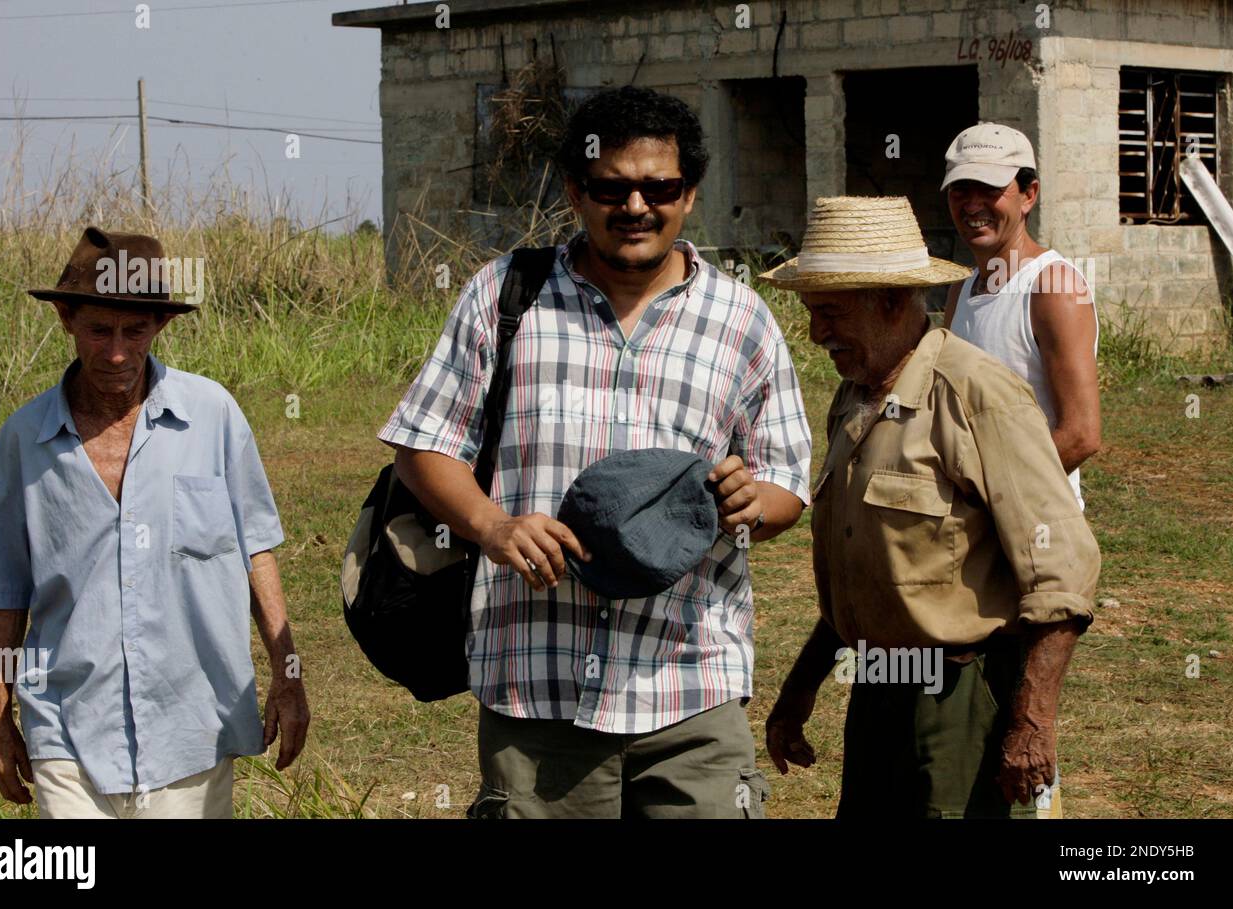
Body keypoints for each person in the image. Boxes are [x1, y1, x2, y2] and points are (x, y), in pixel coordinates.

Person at [380, 85, 813, 818]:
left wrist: (753, 504)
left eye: (659, 187)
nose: (636, 206)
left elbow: (787, 485)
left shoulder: (743, 320)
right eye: (611, 187)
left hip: (690, 691)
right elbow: (422, 446)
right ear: (577, 192)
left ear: (690, 193)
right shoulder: (506, 296)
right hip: (538, 692)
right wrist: (492, 525)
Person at [0, 227, 309, 818]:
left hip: (192, 724)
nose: (116, 352)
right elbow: (5, 586)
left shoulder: (212, 416)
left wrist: (287, 675)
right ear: (66, 319)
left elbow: (255, 551)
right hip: (66, 725)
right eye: (98, 329)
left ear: (160, 326)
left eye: (134, 330)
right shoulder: (22, 439)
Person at [759, 196, 1101, 818]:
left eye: (830, 313)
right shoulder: (855, 397)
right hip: (879, 688)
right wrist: (801, 687)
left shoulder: (977, 394)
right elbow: (865, 571)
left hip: (961, 695)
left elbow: (1063, 574)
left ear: (892, 302)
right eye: (812, 315)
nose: (816, 335)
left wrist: (1032, 721)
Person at [941, 122, 1101, 508]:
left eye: (991, 189)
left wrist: (989, 497)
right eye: (962, 189)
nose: (973, 204)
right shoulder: (960, 290)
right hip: (972, 526)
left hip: (1034, 520)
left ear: (1029, 195)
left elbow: (1081, 434)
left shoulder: (1052, 287)